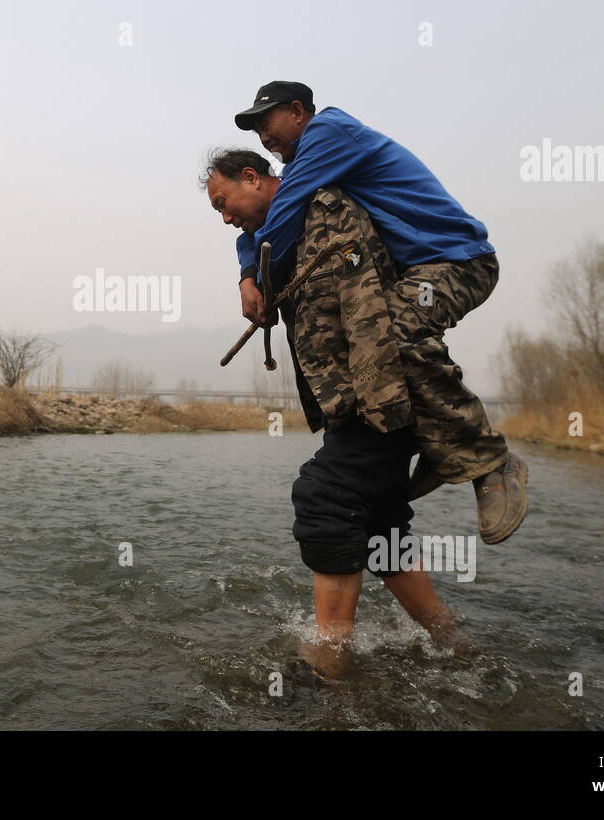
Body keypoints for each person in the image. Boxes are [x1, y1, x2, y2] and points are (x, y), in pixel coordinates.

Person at [202, 149, 471, 669]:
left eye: (223, 201)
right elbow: (249, 242)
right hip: (355, 400)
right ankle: (453, 641)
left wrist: (380, 394)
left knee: (325, 501)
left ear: (253, 178)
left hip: (379, 391)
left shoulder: (324, 206)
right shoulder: (275, 238)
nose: (225, 216)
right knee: (379, 524)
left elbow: (364, 296)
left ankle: (330, 664)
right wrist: (249, 278)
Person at [228, 81, 527, 540]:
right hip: (421, 271)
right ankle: (440, 449)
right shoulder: (312, 162)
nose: (264, 138)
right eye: (257, 132)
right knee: (379, 338)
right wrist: (248, 273)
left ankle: (491, 463)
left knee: (393, 333)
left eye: (266, 123)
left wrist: (263, 285)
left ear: (297, 111)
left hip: (458, 260)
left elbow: (281, 210)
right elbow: (258, 225)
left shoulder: (329, 134)